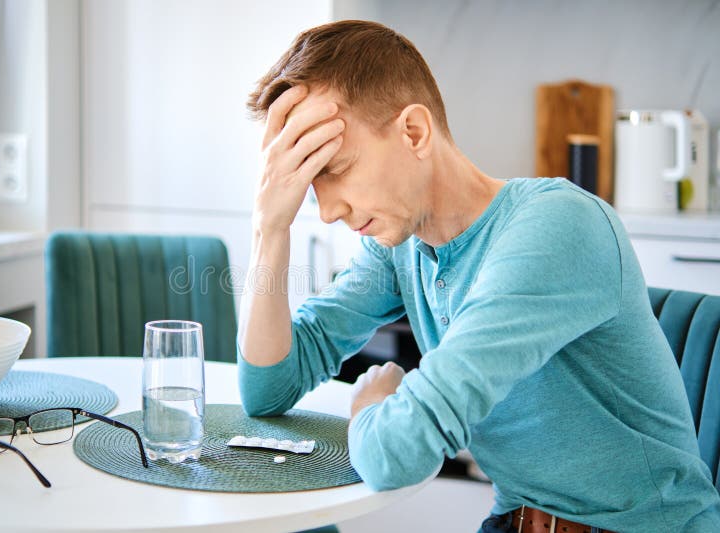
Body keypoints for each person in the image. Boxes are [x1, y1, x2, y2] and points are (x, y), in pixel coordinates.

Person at [236, 19, 720, 533]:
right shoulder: (400, 248)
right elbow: (267, 386)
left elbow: (394, 454)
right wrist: (270, 226)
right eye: (309, 185)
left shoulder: (557, 226)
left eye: (335, 169)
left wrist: (371, 408)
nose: (329, 210)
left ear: (414, 132)